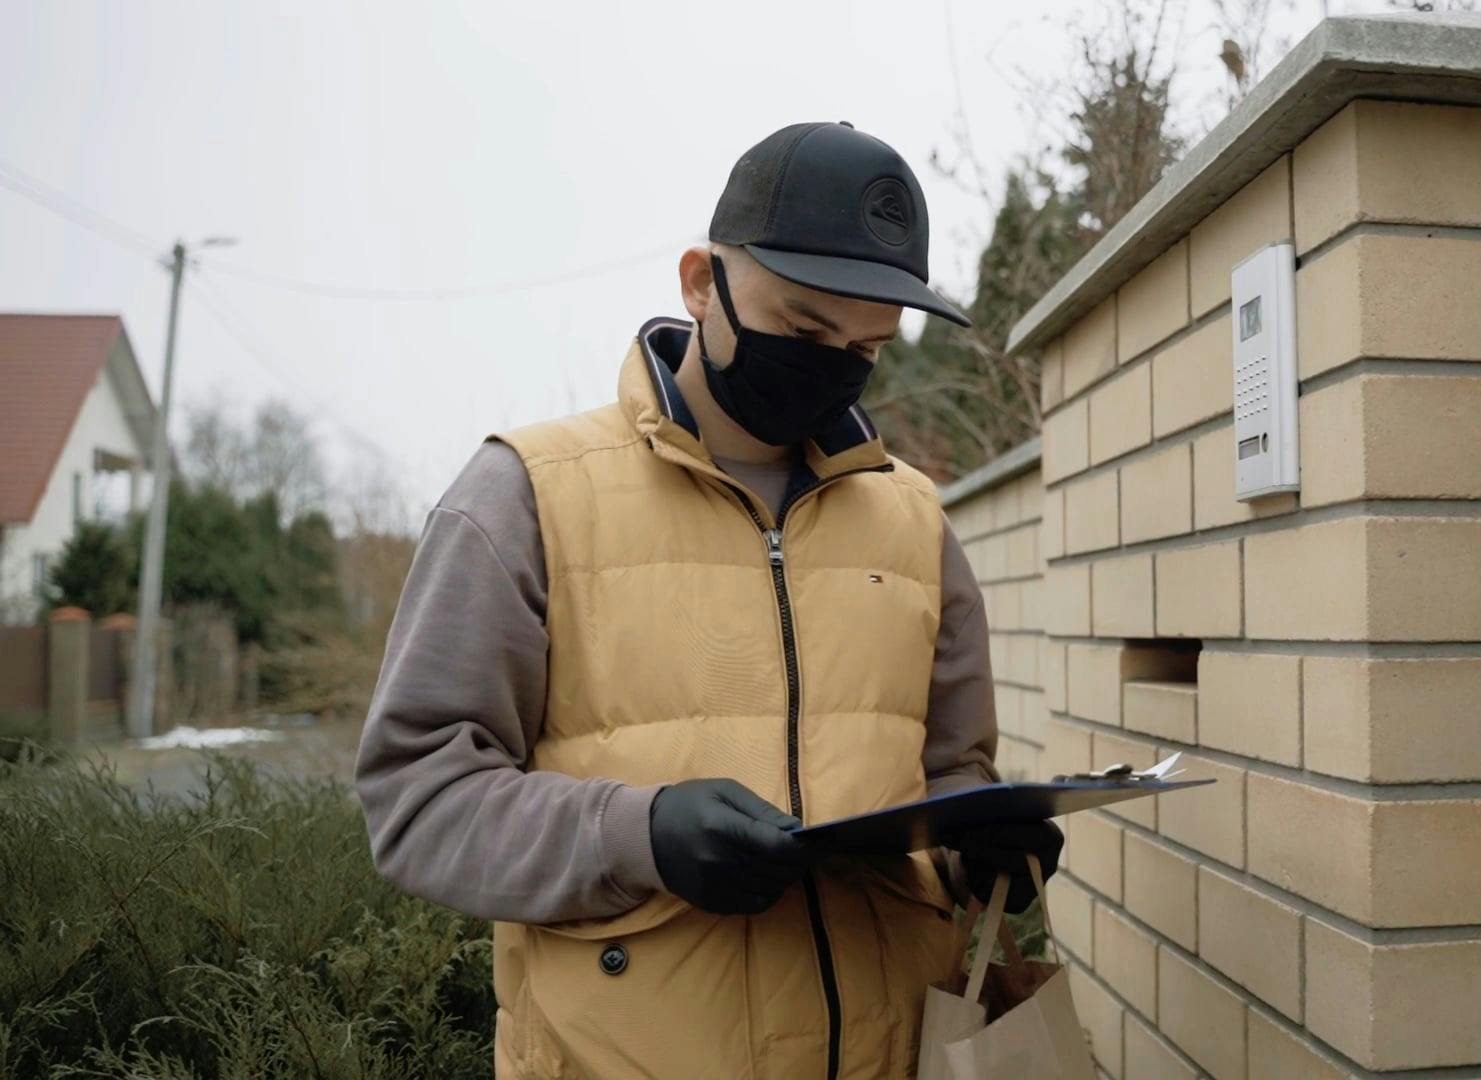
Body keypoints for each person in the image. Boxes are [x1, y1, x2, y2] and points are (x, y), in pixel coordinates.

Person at [353, 120, 1063, 1079]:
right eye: (806, 328)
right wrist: (638, 834)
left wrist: (981, 842)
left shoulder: (915, 518)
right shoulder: (525, 493)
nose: (833, 363)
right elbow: (417, 797)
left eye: (868, 345)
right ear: (701, 282)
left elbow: (950, 772)